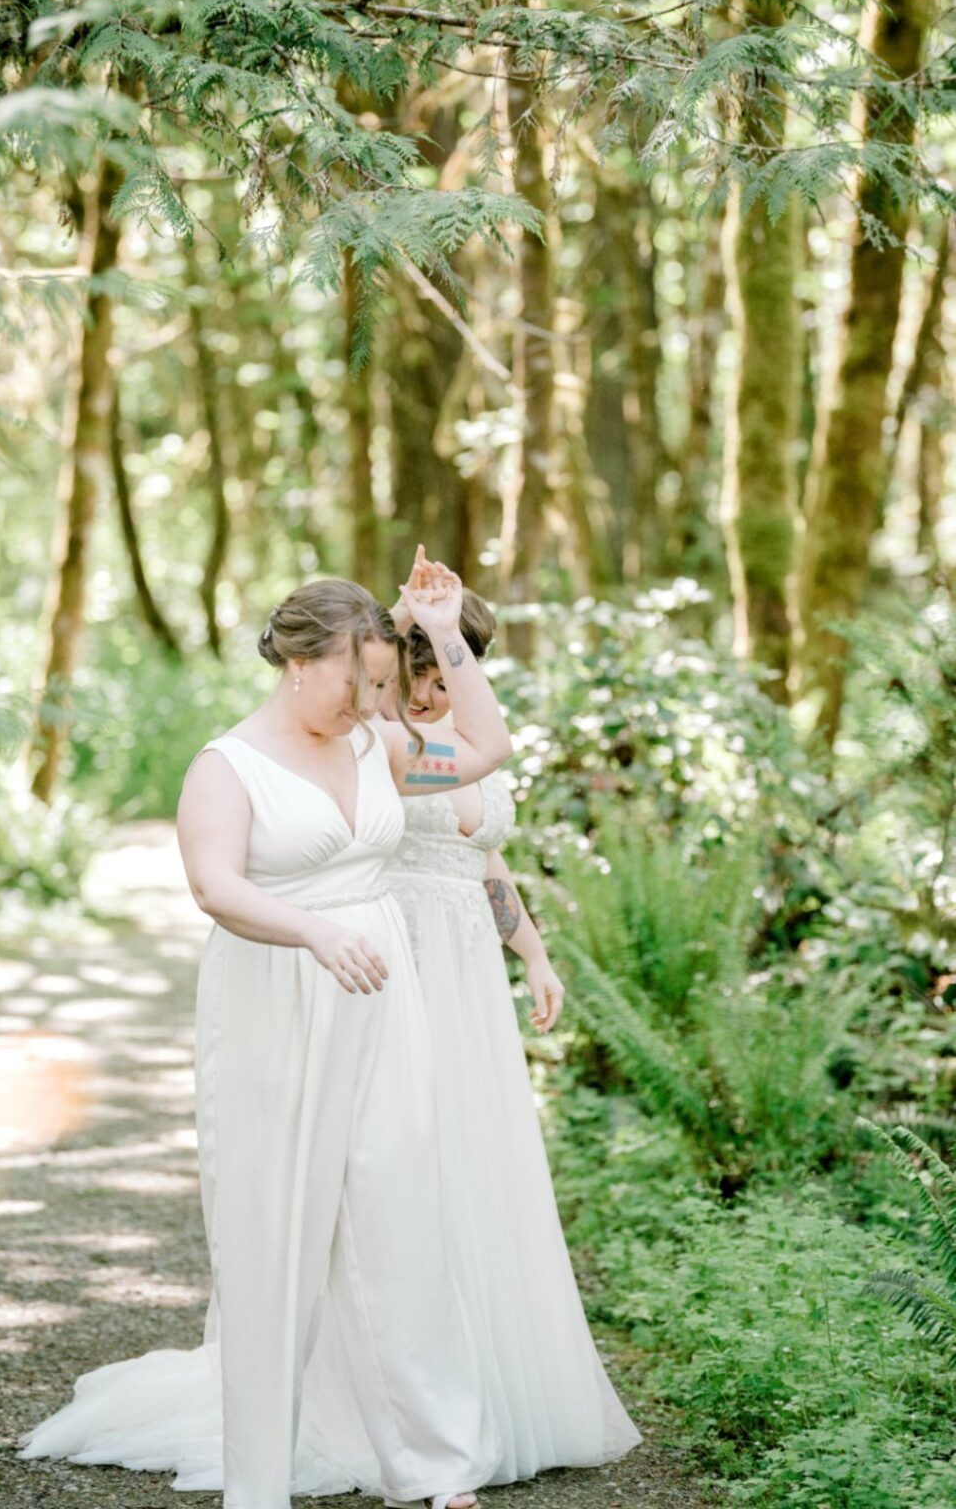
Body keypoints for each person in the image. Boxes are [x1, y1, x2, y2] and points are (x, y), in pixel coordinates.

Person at [19, 571, 512, 1509]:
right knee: (272, 1235)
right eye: (355, 680)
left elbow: (487, 747)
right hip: (273, 1002)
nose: (369, 699)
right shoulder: (227, 766)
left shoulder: (379, 750)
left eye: (378, 680)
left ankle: (440, 1471)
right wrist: (315, 931)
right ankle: (260, 1482)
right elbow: (216, 887)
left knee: (401, 1218)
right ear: (297, 660)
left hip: (379, 1004)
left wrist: (445, 633)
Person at [382, 553, 642, 1482]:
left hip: (465, 980)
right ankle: (401, 1393)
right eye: (411, 667)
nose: (424, 687)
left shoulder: (467, 734)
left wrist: (531, 952)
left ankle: (488, 1371)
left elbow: (485, 864)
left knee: (472, 1156)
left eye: (440, 668)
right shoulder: (382, 740)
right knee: (402, 1157)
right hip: (395, 962)